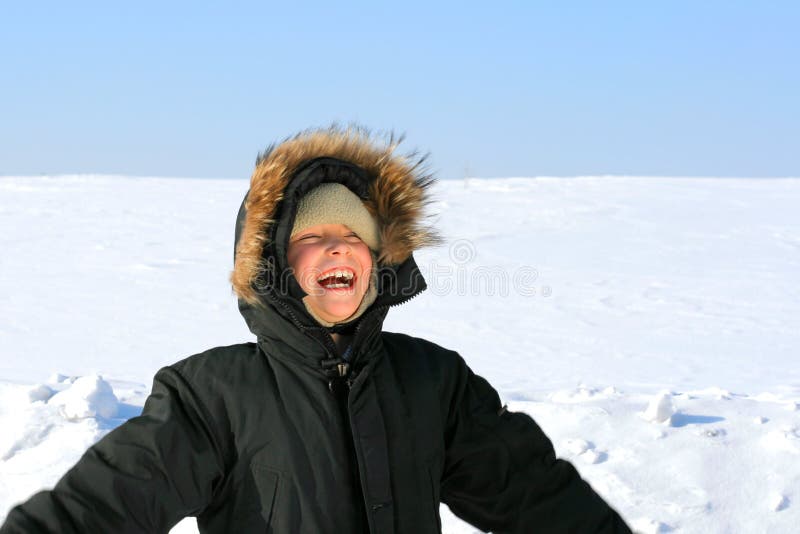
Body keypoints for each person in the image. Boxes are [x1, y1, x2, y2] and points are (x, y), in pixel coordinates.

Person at [1, 127, 631, 533]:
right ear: (275, 263)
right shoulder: (212, 394)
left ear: (381, 257)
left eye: (355, 236)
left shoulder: (433, 383)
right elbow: (102, 507)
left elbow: (539, 499)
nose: (338, 251)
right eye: (313, 237)